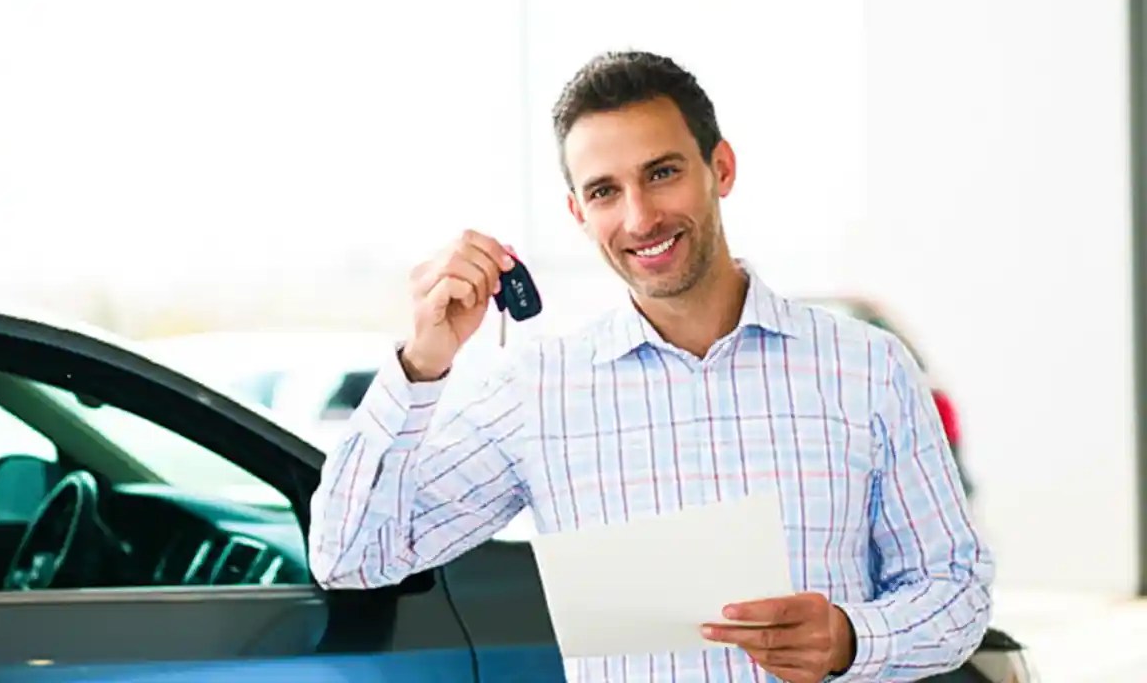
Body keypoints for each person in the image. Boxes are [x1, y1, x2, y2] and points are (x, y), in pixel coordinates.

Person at [308, 50, 994, 682]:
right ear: (579, 213)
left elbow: (955, 588)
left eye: (661, 173)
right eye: (605, 191)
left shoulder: (866, 368)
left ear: (720, 168)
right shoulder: (540, 391)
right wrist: (423, 360)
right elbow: (353, 556)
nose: (639, 217)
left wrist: (853, 636)